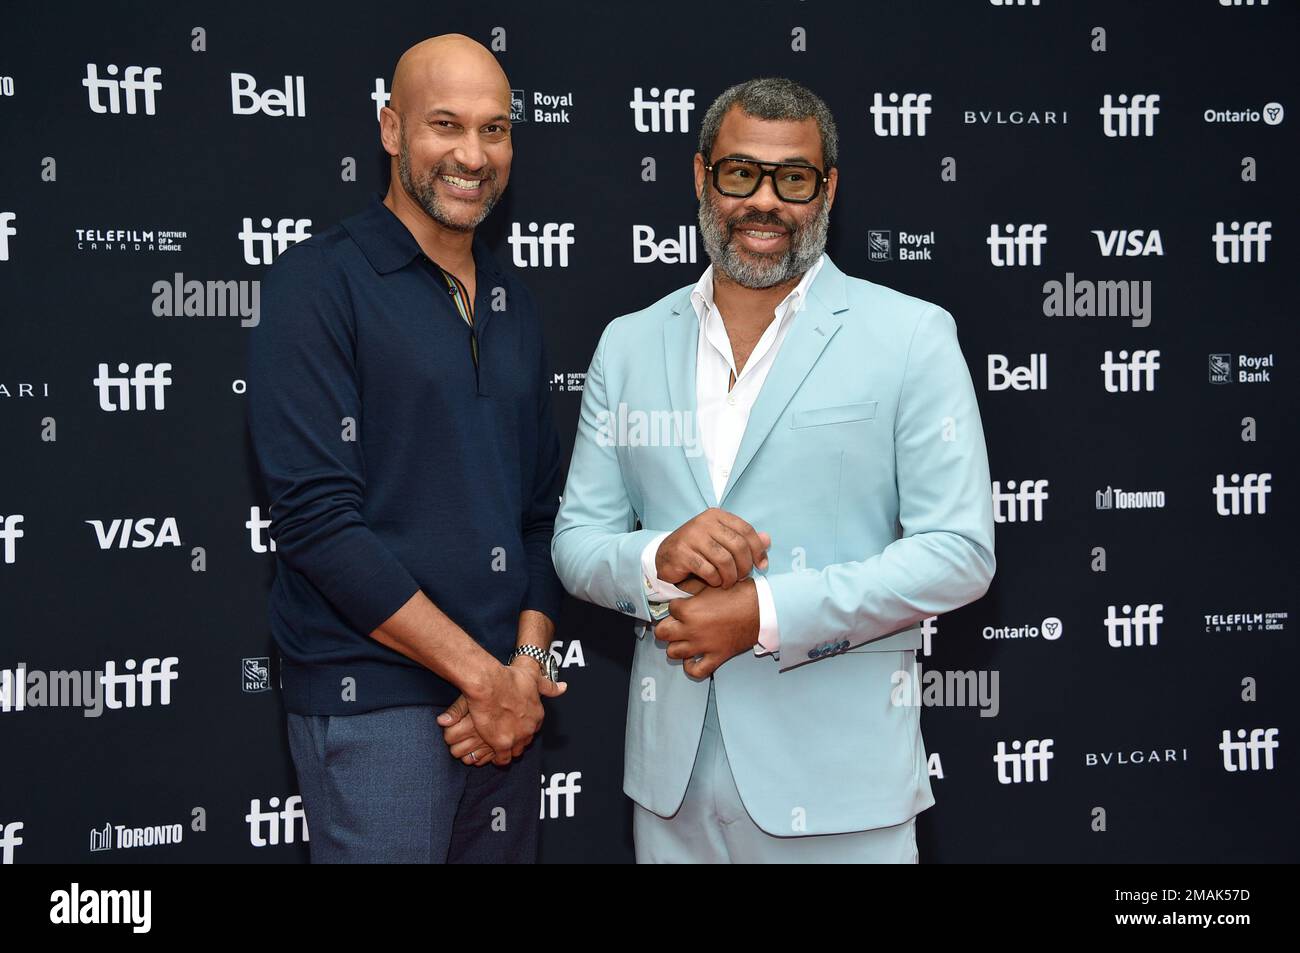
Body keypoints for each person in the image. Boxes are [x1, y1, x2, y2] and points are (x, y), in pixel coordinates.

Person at [551, 77, 995, 863]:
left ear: (826, 189)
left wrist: (765, 613)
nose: (765, 202)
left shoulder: (911, 336)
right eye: (739, 173)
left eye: (792, 178)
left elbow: (958, 554)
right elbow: (578, 541)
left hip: (841, 791)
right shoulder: (628, 343)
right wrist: (658, 556)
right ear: (700, 177)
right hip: (672, 794)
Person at [246, 34, 566, 864]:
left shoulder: (515, 303)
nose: (472, 153)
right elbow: (317, 522)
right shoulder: (316, 285)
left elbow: (538, 513)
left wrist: (523, 667)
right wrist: (484, 680)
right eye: (445, 125)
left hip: (503, 714)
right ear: (391, 130)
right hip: (376, 702)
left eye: (495, 130)